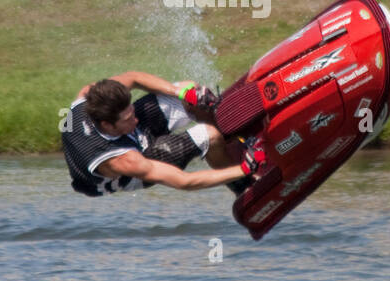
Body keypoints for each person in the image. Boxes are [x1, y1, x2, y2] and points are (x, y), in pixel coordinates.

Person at [62, 72, 265, 196]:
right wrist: (245, 168)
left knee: (190, 91)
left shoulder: (89, 97)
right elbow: (184, 182)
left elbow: (134, 77)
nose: (136, 120)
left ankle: (236, 140)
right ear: (107, 124)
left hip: (124, 137)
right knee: (208, 134)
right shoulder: (123, 161)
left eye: (132, 112)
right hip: (129, 168)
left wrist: (182, 93)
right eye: (127, 119)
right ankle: (243, 185)